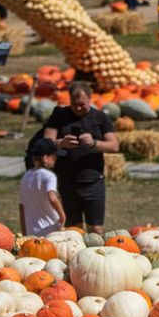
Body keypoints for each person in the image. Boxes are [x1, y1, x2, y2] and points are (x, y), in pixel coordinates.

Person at [41, 82, 118, 233]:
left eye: (82, 104)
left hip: (93, 180)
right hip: (67, 181)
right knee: (73, 229)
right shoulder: (59, 115)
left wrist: (94, 143)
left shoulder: (100, 117)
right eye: (74, 104)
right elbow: (46, 143)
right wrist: (61, 143)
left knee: (96, 228)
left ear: (90, 98)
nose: (78, 108)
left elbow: (114, 146)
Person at [19, 138, 65, 236]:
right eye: (54, 156)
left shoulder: (26, 176)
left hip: (32, 231)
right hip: (50, 230)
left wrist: (24, 232)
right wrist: (62, 215)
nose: (56, 158)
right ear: (45, 158)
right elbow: (52, 197)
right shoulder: (48, 176)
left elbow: (22, 207)